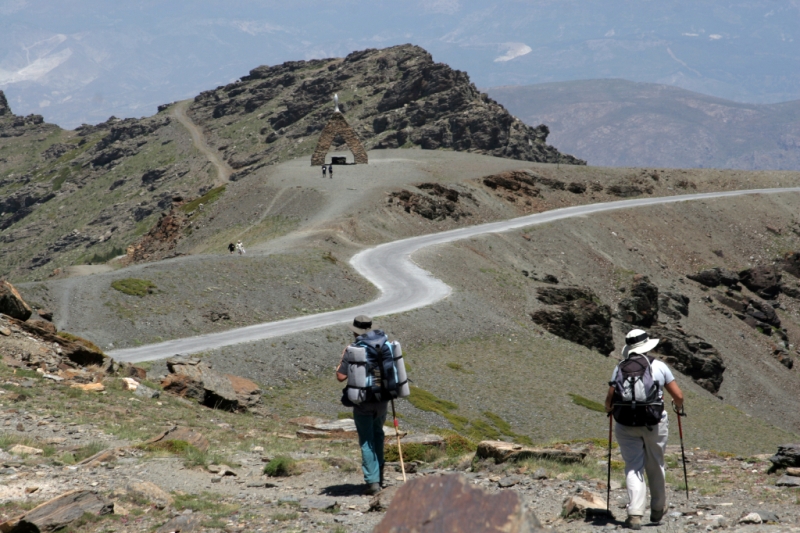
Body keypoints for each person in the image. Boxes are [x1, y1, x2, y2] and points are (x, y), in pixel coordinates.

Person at [605, 329, 684, 530]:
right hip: (654, 422)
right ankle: (657, 509)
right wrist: (678, 406)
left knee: (633, 466)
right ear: (647, 345)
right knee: (656, 463)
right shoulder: (659, 366)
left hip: (625, 424)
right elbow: (678, 396)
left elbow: (609, 399)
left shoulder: (619, 367)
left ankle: (634, 514)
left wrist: (610, 410)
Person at [336, 315, 387, 495]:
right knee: (379, 435)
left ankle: (372, 483)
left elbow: (340, 377)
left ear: (354, 330)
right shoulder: (384, 345)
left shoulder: (353, 349)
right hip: (382, 399)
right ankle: (380, 476)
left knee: (366, 440)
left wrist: (343, 358)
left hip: (362, 402)